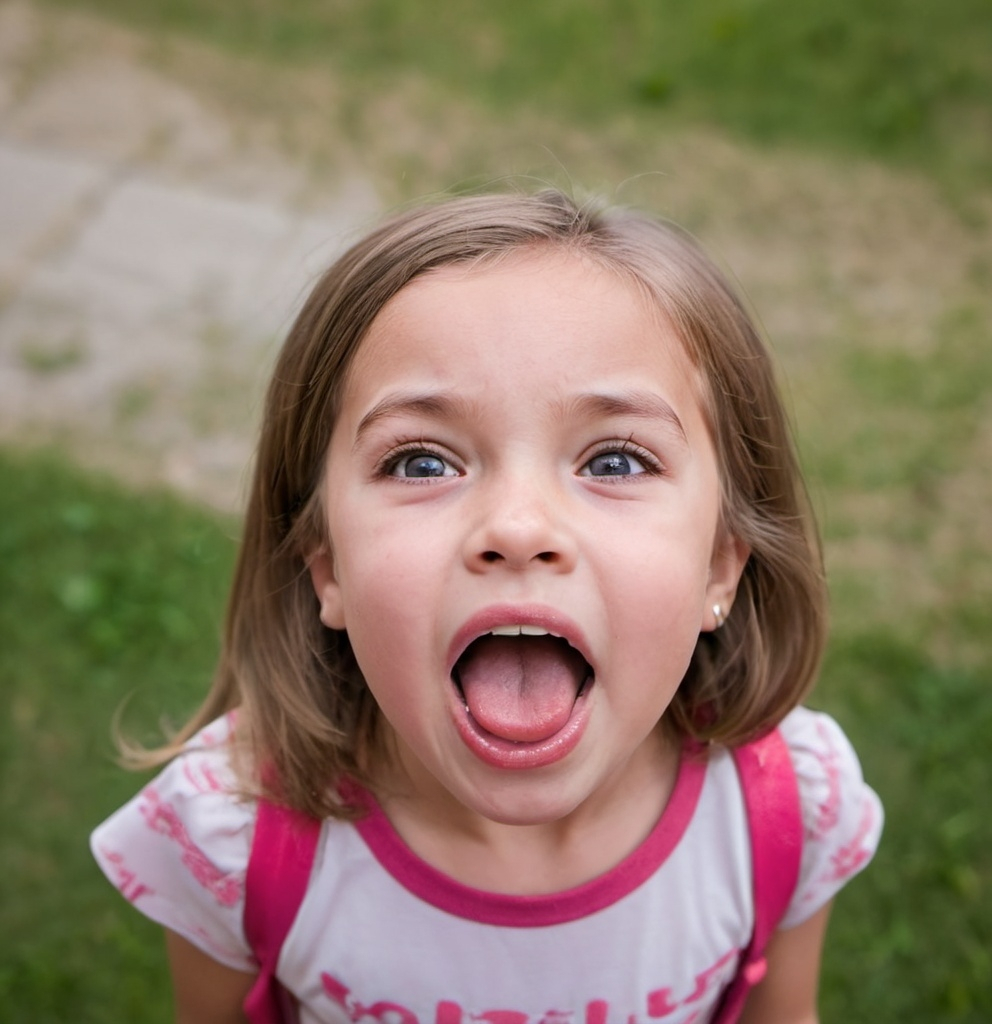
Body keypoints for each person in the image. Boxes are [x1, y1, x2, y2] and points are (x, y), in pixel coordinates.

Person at [91, 187, 882, 1023]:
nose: (516, 527)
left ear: (722, 566)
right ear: (327, 567)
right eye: (423, 463)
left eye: (614, 462)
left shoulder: (783, 810)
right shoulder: (238, 835)